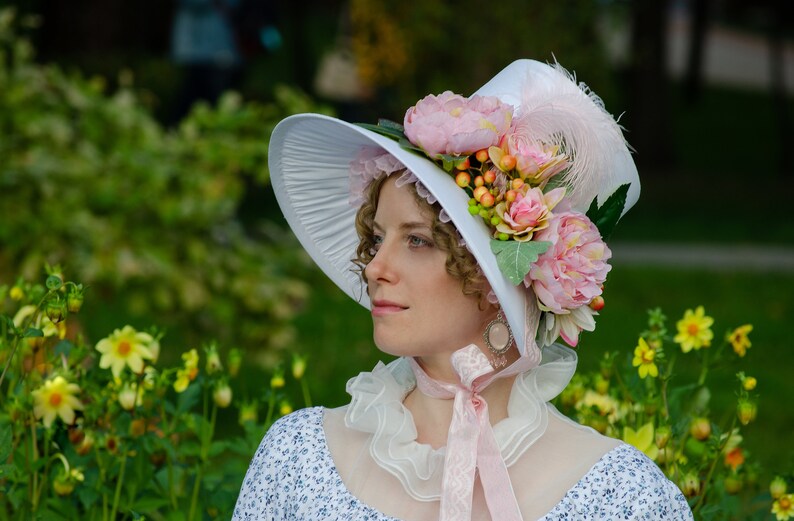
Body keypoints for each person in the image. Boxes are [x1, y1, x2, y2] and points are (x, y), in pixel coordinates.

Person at [234, 59, 694, 520]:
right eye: (376, 239)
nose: (374, 267)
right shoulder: (300, 460)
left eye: (417, 240)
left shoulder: (621, 498)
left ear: (500, 278)